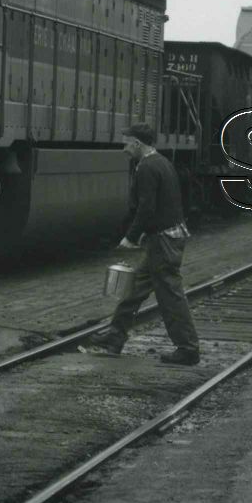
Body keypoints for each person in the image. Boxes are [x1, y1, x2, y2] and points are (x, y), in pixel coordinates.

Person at [80, 123, 202, 366]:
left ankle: (188, 348)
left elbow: (146, 207)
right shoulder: (163, 162)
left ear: (137, 143)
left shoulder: (146, 167)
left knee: (170, 294)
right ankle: (115, 336)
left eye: (126, 143)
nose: (124, 149)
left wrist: (131, 237)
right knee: (135, 287)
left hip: (164, 240)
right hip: (168, 236)